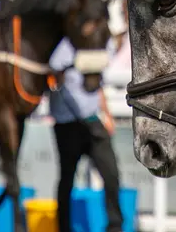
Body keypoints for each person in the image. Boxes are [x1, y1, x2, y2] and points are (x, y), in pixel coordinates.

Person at [48, 38, 122, 232]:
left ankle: (115, 226)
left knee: (112, 174)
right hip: (67, 124)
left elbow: (98, 86)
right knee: (67, 179)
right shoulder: (63, 45)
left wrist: (107, 115)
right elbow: (53, 72)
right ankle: (63, 228)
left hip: (92, 121)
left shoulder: (101, 45)